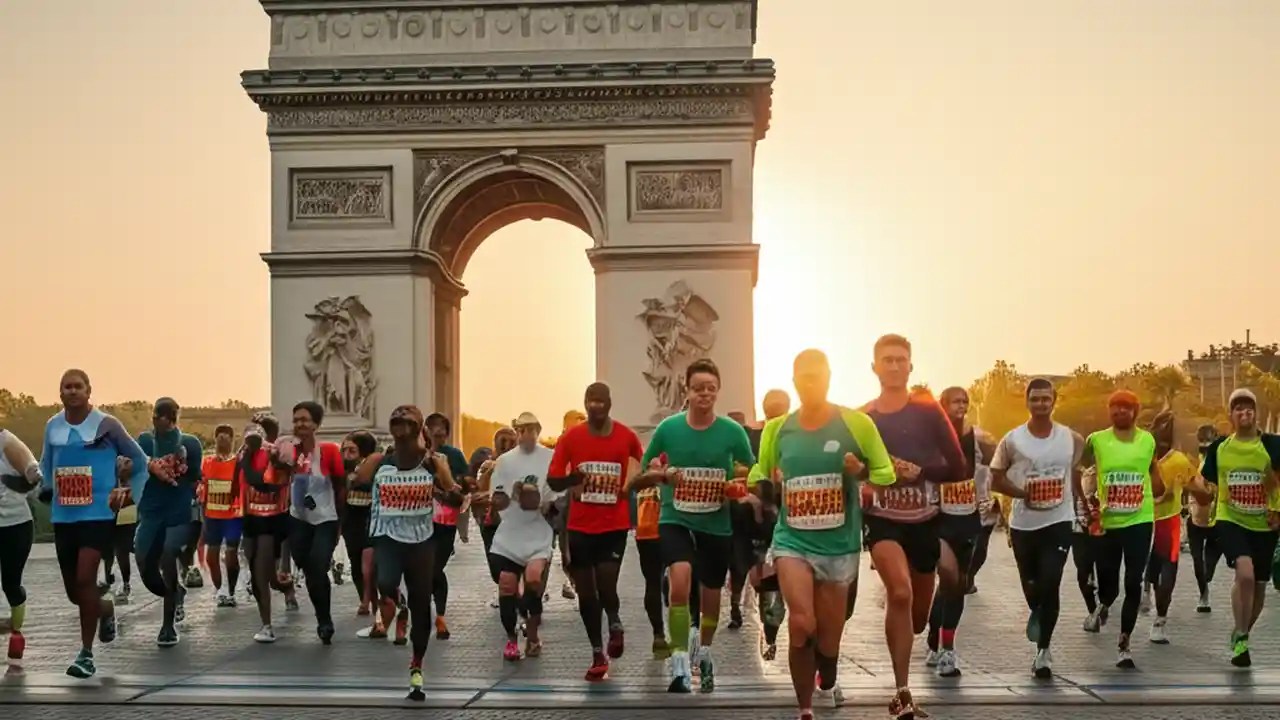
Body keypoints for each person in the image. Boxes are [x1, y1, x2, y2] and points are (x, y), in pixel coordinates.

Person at [750, 350, 894, 719]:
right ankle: (804, 709)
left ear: (829, 378)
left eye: (818, 376)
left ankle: (826, 679)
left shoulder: (856, 424)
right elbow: (758, 476)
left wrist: (859, 470)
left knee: (828, 642)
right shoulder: (777, 428)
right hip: (792, 540)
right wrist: (766, 485)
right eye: (804, 377)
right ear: (795, 381)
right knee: (802, 623)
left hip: (839, 546)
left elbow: (885, 473)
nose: (811, 383)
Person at [857, 335, 966, 718]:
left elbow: (958, 466)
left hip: (923, 520)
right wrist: (865, 477)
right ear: (874, 367)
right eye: (886, 359)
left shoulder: (927, 411)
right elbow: (849, 466)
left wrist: (922, 472)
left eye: (900, 359)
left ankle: (912, 642)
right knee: (898, 593)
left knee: (918, 618)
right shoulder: (863, 417)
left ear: (910, 366)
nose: (893, 365)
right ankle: (902, 693)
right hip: (882, 520)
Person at [637, 360, 755, 694]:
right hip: (676, 517)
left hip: (715, 522)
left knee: (710, 595)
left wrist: (738, 484)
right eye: (698, 388)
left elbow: (750, 468)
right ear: (686, 391)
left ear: (717, 391)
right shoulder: (669, 429)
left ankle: (703, 651)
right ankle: (678, 660)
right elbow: (645, 470)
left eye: (710, 388)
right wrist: (664, 475)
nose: (705, 394)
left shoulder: (732, 431)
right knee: (679, 580)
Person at [39, 369, 149, 678]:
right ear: (60, 393)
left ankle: (86, 655)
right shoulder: (53, 426)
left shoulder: (106, 425)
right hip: (65, 516)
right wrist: (44, 486)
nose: (72, 391)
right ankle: (104, 609)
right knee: (76, 592)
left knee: (86, 579)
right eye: (67, 387)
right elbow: (46, 464)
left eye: (78, 386)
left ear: (89, 391)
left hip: (98, 515)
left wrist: (128, 494)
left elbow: (138, 461)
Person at [989, 378, 1086, 678]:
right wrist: (1022, 493)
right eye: (1035, 399)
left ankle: (1043, 651)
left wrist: (1083, 506)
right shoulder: (1013, 440)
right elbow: (995, 477)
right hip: (1024, 524)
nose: (1041, 404)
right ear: (1027, 402)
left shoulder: (1072, 439)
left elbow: (1075, 472)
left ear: (1054, 400)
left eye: (1046, 399)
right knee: (1032, 587)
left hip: (1058, 521)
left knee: (1051, 580)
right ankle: (1036, 609)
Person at [358, 405, 456, 700]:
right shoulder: (380, 460)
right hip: (388, 536)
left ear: (418, 427)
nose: (400, 426)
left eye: (406, 421)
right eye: (395, 421)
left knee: (421, 604)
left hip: (421, 539)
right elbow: (358, 481)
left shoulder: (432, 462)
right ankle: (396, 601)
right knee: (385, 582)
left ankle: (417, 664)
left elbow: (452, 493)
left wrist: (443, 476)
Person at [548, 384, 644, 680]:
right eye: (591, 401)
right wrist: (572, 480)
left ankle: (614, 622)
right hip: (579, 526)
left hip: (613, 525)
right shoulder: (571, 438)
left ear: (610, 403)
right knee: (587, 595)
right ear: (585, 403)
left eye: (601, 401)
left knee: (606, 584)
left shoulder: (626, 436)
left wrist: (629, 484)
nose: (596, 406)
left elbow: (638, 464)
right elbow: (553, 480)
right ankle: (596, 652)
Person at [1186, 389, 1280, 667]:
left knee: (1258, 593)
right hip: (1231, 519)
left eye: (1249, 408)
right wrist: (1192, 487)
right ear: (1231, 415)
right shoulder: (1220, 449)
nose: (1244, 413)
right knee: (1245, 573)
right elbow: (1205, 486)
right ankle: (1241, 636)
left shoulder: (1273, 446)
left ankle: (1241, 635)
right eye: (1238, 409)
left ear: (1256, 414)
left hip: (1264, 522)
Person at [1082, 389, 1165, 669]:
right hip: (1108, 522)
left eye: (1126, 407)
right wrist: (1088, 502)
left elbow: (1153, 472)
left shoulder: (1147, 440)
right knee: (1109, 585)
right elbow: (1081, 470)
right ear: (1109, 411)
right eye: (1114, 407)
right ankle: (1103, 605)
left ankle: (1124, 643)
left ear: (1135, 412)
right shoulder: (1097, 441)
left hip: (1139, 520)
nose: (1120, 411)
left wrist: (1161, 485)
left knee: (1132, 582)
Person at [924, 386, 996, 677]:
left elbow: (994, 470)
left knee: (957, 584)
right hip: (938, 520)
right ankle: (941, 648)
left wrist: (988, 505)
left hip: (968, 518)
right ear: (943, 405)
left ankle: (942, 644)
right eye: (955, 401)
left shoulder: (980, 439)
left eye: (965, 401)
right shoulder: (929, 440)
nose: (961, 406)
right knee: (949, 577)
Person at [135, 397, 205, 647]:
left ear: (175, 417)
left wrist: (180, 469)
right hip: (151, 510)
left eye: (167, 415)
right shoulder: (144, 442)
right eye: (157, 414)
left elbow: (196, 477)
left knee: (168, 555)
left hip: (178, 510)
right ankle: (176, 592)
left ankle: (167, 625)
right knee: (144, 562)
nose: (161, 419)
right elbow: (133, 468)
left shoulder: (190, 444)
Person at [488, 413, 556, 660]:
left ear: (538, 430)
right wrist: (501, 499)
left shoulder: (550, 457)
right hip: (511, 532)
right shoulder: (505, 461)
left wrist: (539, 500)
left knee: (534, 582)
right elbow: (497, 496)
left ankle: (534, 633)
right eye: (521, 429)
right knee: (506, 583)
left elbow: (553, 498)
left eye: (531, 428)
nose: (526, 433)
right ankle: (511, 639)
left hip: (537, 531)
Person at [276, 401, 345, 644]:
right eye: (296, 420)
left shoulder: (329, 451)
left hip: (325, 518)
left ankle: (324, 621)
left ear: (316, 424)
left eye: (305, 420)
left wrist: (340, 522)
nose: (300, 424)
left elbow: (339, 484)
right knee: (309, 569)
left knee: (318, 566)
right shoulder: (288, 450)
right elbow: (276, 475)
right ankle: (321, 614)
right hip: (298, 519)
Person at [746, 389, 792, 661]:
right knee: (763, 582)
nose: (775, 412)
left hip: (790, 518)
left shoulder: (797, 436)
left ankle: (774, 627)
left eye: (780, 408)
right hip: (761, 520)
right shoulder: (753, 437)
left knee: (785, 582)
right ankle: (769, 632)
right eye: (771, 408)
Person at [1141, 411, 1194, 644]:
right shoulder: (1140, 458)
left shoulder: (1180, 460)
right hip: (1142, 523)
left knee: (1167, 576)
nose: (1164, 434)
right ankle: (1145, 587)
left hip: (1169, 524)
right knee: (1149, 572)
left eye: (1168, 429)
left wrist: (1206, 493)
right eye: (1160, 428)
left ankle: (1160, 620)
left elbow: (1197, 485)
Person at [424, 412, 471, 641]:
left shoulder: (454, 455)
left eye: (442, 428)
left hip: (444, 521)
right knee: (424, 569)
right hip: (420, 521)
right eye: (433, 427)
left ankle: (439, 613)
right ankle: (435, 613)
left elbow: (464, 486)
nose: (438, 432)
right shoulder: (416, 455)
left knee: (435, 568)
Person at [0, 428, 41, 665]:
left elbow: (32, 471)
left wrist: (31, 476)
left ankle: (16, 632)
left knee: (11, 584)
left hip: (15, 525)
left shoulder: (6, 440)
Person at [199, 424, 243, 608]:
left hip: (233, 517)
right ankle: (220, 590)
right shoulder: (207, 462)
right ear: (215, 440)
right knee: (211, 557)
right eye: (220, 436)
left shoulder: (238, 463)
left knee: (231, 555)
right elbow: (202, 488)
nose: (223, 439)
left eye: (227, 436)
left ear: (232, 441)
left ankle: (230, 591)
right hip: (212, 516)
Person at [341, 430, 380, 617]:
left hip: (369, 516)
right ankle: (368, 599)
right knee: (355, 563)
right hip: (351, 518)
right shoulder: (342, 469)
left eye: (352, 450)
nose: (346, 455)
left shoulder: (375, 465)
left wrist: (356, 481)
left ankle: (368, 601)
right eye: (344, 450)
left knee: (368, 565)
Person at [1188, 424, 1223, 612]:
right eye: (1203, 447)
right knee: (1196, 559)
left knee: (1209, 564)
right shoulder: (1196, 465)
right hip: (1195, 519)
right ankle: (1204, 595)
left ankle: (1206, 582)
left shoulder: (1222, 465)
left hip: (1216, 520)